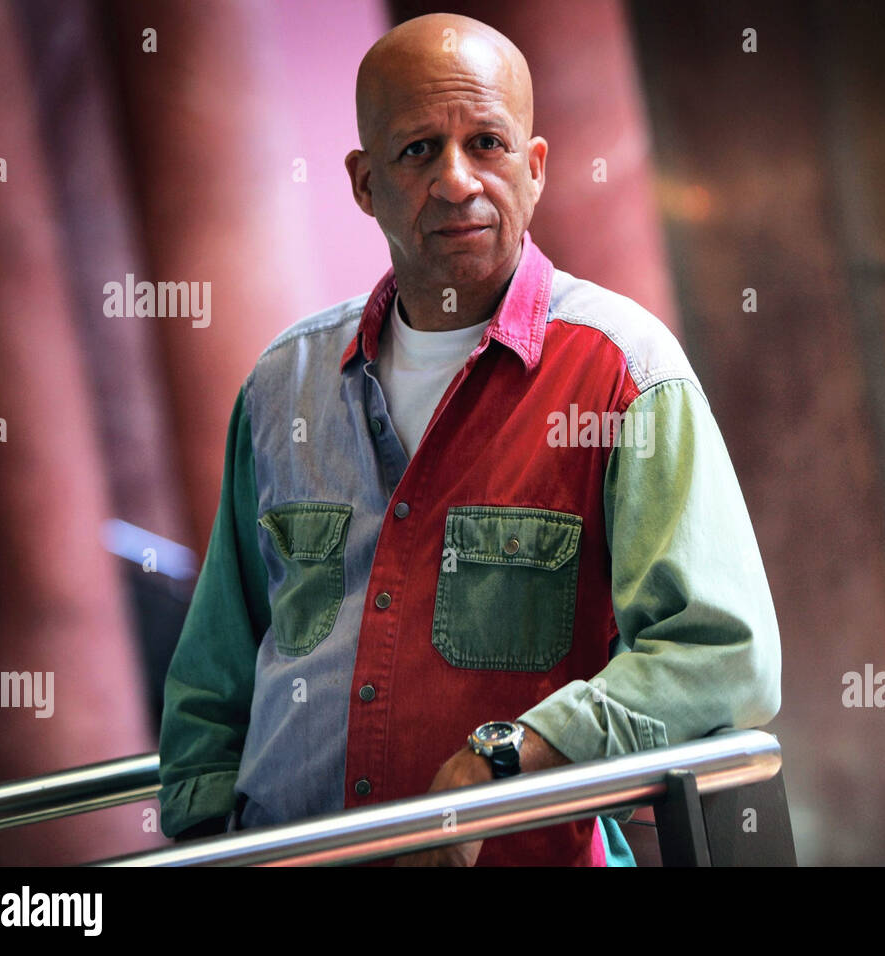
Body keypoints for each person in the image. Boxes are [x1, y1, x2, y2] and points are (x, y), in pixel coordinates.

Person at [156, 12, 781, 867]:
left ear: (534, 169)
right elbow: (214, 681)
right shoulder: (281, 385)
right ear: (364, 182)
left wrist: (505, 757)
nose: (456, 182)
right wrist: (202, 843)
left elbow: (722, 651)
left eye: (486, 143)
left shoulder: (623, 374)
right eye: (417, 151)